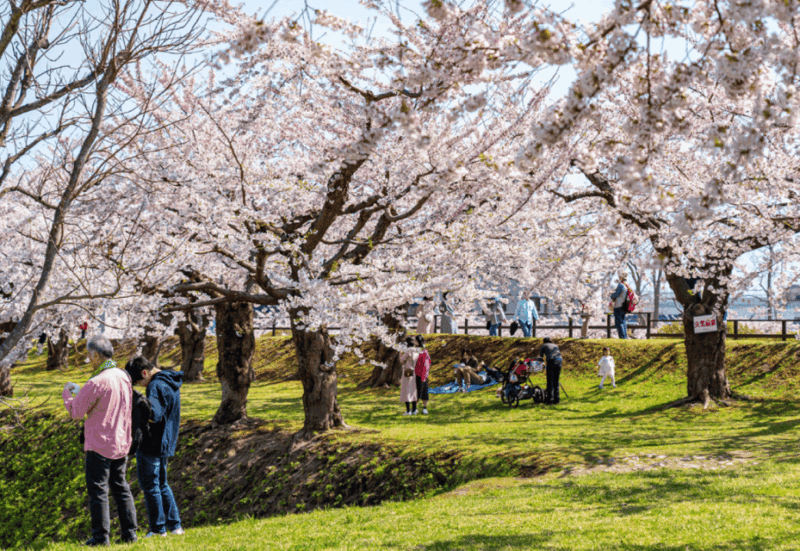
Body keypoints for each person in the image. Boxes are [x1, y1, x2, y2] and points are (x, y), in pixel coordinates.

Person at [62, 335, 137, 546]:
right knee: (121, 487)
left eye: (89, 355)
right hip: (121, 440)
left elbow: (77, 411)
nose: (88, 358)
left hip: (100, 442)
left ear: (96, 356)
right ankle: (130, 533)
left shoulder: (96, 381)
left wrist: (67, 393)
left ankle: (101, 537)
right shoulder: (123, 376)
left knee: (98, 491)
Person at [124, 357, 185, 537]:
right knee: (162, 484)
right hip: (165, 441)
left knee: (150, 485)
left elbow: (154, 415)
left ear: (144, 373)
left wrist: (138, 401)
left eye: (139, 382)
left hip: (151, 442)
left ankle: (158, 529)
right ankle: (175, 526)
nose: (141, 386)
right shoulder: (170, 380)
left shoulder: (155, 386)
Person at [540, 337, 563, 405]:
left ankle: (550, 400)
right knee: (556, 381)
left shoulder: (544, 346)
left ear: (544, 342)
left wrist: (542, 363)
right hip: (559, 361)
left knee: (550, 381)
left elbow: (541, 357)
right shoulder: (555, 345)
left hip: (551, 361)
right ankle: (557, 399)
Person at [400, 338, 418, 415]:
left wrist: (400, 353)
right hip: (415, 371)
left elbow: (401, 360)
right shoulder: (417, 351)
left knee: (406, 390)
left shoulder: (408, 352)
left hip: (407, 371)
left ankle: (408, 410)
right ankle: (414, 409)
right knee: (413, 391)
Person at [414, 335, 431, 414]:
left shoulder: (423, 351)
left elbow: (426, 364)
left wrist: (423, 376)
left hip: (422, 375)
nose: (414, 342)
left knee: (423, 391)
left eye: (415, 340)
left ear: (418, 342)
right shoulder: (415, 350)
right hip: (416, 374)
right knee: (416, 392)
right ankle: (415, 408)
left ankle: (424, 408)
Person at [610, 275, 629, 339]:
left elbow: (615, 295)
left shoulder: (621, 285)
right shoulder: (626, 286)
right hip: (623, 306)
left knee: (619, 323)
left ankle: (622, 337)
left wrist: (611, 294)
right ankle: (624, 337)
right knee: (623, 322)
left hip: (618, 306)